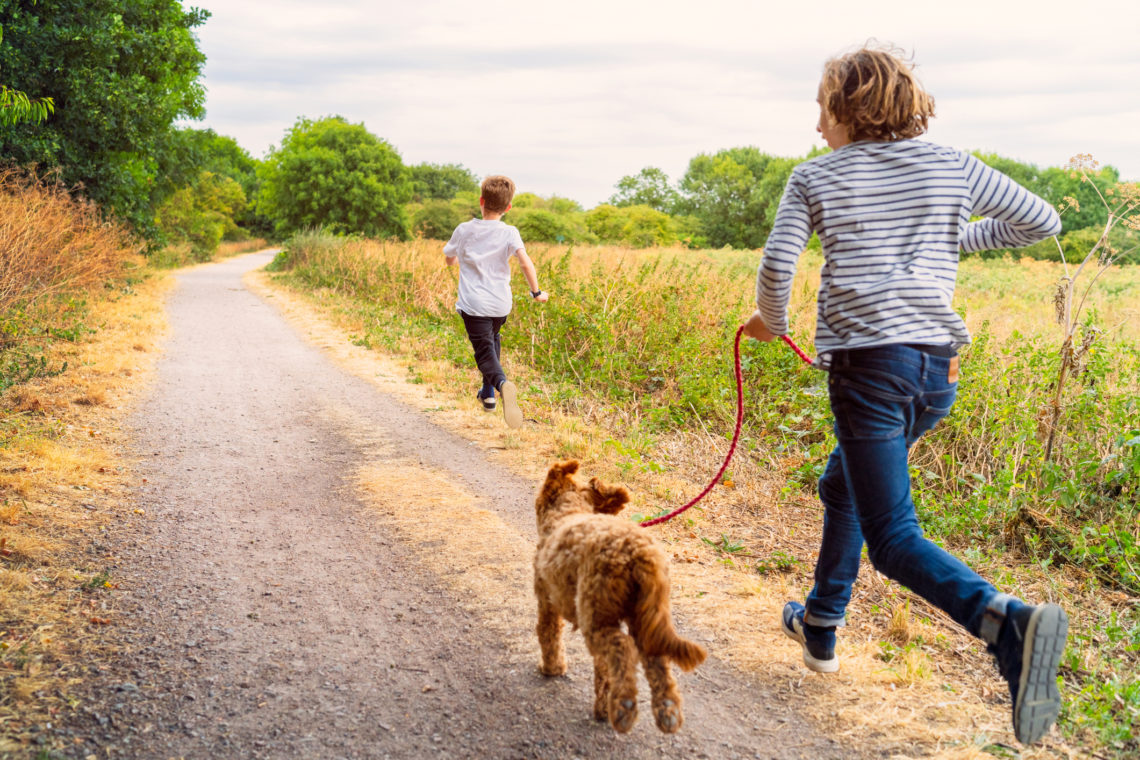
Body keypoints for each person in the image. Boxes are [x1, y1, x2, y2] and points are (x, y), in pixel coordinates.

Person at [743, 43, 1068, 745]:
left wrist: (772, 324)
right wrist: (952, 239)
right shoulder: (950, 163)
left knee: (892, 538)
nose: (815, 117)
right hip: (937, 370)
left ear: (847, 108)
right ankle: (822, 624)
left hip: (869, 371)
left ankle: (1001, 620)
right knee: (843, 486)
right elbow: (1041, 220)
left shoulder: (814, 177)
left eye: (821, 103)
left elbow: (777, 262)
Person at [445, 175, 548, 428]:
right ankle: (488, 395)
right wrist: (536, 293)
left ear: (481, 201)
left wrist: (456, 260)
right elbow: (525, 262)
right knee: (493, 341)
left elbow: (449, 257)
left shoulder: (464, 229)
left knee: (483, 353)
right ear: (508, 207)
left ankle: (501, 385)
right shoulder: (510, 232)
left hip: (474, 305)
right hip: (501, 305)